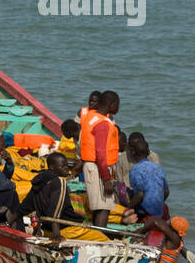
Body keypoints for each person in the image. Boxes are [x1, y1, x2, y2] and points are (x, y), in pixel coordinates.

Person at [21, 152, 107, 239]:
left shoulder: (39, 183)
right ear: (52, 167)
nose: (67, 169)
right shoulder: (59, 182)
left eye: (67, 166)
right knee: (103, 239)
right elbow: (55, 210)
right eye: (63, 166)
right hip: (66, 229)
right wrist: (56, 234)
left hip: (48, 229)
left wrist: (9, 222)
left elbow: (25, 206)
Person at [79, 90, 121, 227]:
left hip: (91, 166)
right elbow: (100, 153)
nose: (119, 108)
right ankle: (100, 239)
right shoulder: (103, 124)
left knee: (99, 206)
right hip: (98, 167)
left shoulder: (91, 116)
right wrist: (107, 179)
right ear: (111, 104)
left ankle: (98, 234)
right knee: (104, 207)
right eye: (117, 104)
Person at [125, 133, 169, 220]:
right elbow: (166, 191)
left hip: (144, 211)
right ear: (148, 153)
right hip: (158, 211)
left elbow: (140, 194)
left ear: (133, 153)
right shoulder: (158, 168)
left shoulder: (135, 169)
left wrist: (127, 208)